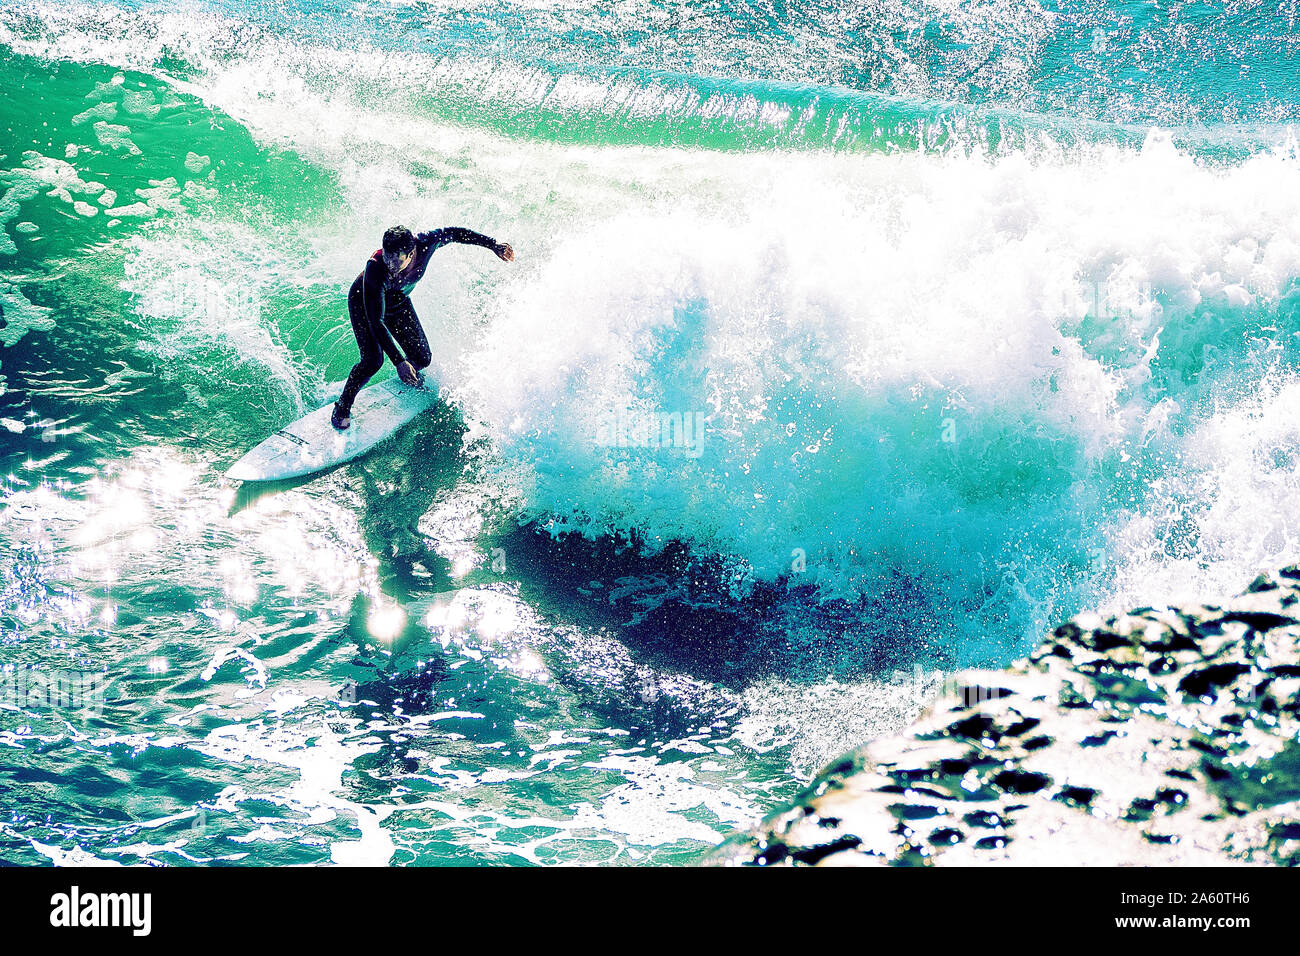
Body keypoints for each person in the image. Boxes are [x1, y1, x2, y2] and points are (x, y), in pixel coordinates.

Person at [332, 224, 514, 429]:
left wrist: (492, 244)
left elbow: (454, 233)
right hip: (365, 303)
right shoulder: (375, 269)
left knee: (422, 358)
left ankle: (407, 372)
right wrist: (399, 361)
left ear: (411, 254)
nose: (390, 264)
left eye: (396, 259)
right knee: (373, 360)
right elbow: (376, 322)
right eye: (387, 257)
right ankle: (343, 405)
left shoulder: (426, 242)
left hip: (397, 301)